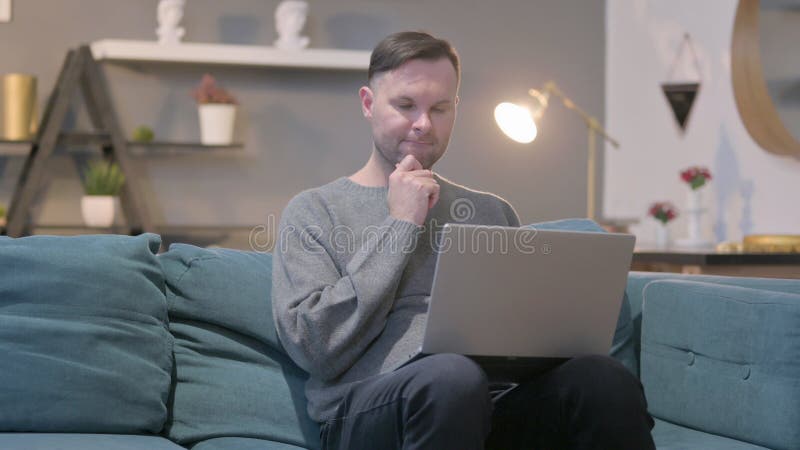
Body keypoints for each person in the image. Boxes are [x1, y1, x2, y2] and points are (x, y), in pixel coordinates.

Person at [272, 31, 655, 450]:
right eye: (405, 106)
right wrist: (401, 223)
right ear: (368, 103)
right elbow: (314, 348)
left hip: (487, 407)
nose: (423, 124)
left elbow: (520, 340)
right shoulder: (314, 211)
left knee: (601, 378)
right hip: (365, 412)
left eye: (439, 108)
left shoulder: (491, 212)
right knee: (451, 377)